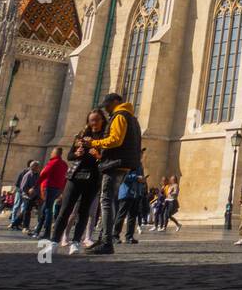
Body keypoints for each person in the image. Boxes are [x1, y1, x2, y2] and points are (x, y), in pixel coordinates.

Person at [81, 92, 143, 255]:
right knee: (110, 200)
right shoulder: (132, 118)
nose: (107, 110)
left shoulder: (120, 116)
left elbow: (115, 139)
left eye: (108, 105)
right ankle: (104, 238)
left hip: (115, 163)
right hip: (124, 164)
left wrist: (94, 143)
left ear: (116, 102)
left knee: (106, 200)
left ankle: (107, 241)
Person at [50, 110, 105, 254]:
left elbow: (106, 159)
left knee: (84, 212)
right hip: (75, 175)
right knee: (65, 209)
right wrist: (77, 154)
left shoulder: (105, 138)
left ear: (102, 121)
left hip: (93, 177)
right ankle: (54, 241)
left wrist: (98, 155)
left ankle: (75, 243)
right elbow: (69, 156)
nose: (94, 123)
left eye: (97, 120)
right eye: (91, 120)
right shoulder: (81, 136)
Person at [115, 163, 145, 244]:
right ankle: (115, 236)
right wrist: (136, 177)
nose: (141, 154)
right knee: (121, 215)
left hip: (136, 194)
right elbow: (123, 177)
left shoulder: (140, 165)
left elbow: (141, 178)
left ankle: (129, 237)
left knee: (132, 216)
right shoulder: (128, 162)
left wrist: (142, 181)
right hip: (126, 193)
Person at [10, 161, 41, 232]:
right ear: (32, 167)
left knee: (26, 210)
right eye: (36, 166)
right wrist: (28, 191)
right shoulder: (28, 175)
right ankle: (25, 226)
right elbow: (23, 186)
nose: (37, 168)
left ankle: (15, 223)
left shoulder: (38, 175)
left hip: (34, 196)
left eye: (37, 166)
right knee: (27, 211)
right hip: (27, 196)